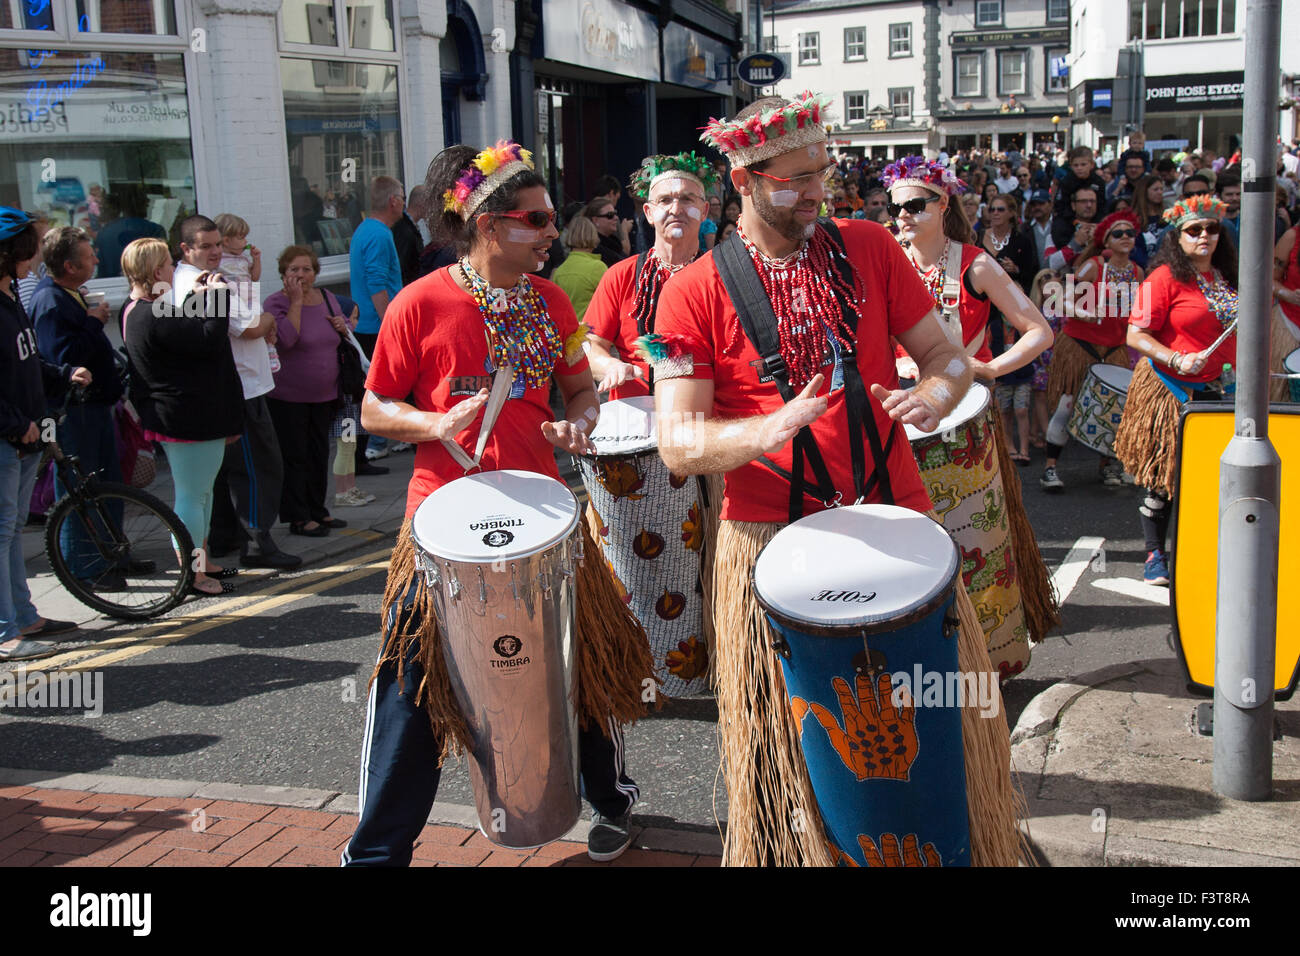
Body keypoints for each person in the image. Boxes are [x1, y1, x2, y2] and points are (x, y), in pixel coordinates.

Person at [650, 95, 1021, 866]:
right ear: (746, 180)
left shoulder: (870, 249)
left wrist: (934, 395)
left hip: (899, 526)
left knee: (940, 731)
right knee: (793, 756)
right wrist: (767, 428)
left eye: (824, 173)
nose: (820, 191)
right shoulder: (691, 289)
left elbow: (950, 360)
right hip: (769, 545)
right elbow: (679, 444)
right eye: (798, 180)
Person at [342, 140, 654, 867]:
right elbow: (375, 408)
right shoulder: (420, 302)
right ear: (487, 222)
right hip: (442, 526)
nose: (553, 231)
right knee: (412, 688)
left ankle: (611, 803)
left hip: (543, 520)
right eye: (537, 219)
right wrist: (430, 424)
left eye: (551, 219)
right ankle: (376, 854)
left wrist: (578, 419)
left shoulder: (548, 301)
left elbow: (579, 386)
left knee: (581, 669)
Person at [885, 155, 1056, 670]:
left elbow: (1038, 330)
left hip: (964, 418)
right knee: (912, 539)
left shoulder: (975, 264)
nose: (904, 218)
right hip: (906, 413)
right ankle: (922, 651)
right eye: (897, 209)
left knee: (976, 540)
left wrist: (990, 369)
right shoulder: (891, 259)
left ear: (943, 204)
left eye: (915, 206)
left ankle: (988, 659)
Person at [1115, 196, 1237, 586]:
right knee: (1163, 477)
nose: (1205, 236)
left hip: (1218, 391)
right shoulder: (1163, 278)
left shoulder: (1225, 277)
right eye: (1194, 230)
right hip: (1171, 390)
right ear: (1177, 235)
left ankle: (1196, 551)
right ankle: (1155, 554)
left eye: (1212, 229)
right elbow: (1135, 334)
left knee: (1205, 477)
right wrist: (1176, 359)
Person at [121, 237, 246, 597]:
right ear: (156, 270)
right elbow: (208, 339)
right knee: (193, 497)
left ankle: (201, 562)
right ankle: (192, 575)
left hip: (177, 415)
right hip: (187, 417)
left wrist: (198, 297)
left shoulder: (136, 309)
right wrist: (219, 296)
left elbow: (185, 336)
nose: (173, 270)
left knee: (201, 494)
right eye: (168, 265)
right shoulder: (153, 314)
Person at [175, 215, 300, 572]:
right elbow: (247, 328)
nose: (215, 252)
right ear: (186, 249)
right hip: (240, 387)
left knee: (226, 471)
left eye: (218, 244)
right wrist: (271, 321)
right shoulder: (204, 283)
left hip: (237, 384)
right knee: (257, 467)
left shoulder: (203, 278)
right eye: (206, 246)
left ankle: (227, 535)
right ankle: (257, 542)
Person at [0, 208, 89, 662]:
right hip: (9, 435)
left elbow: (26, 361)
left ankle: (23, 616)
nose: (37, 252)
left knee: (13, 530)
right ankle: (5, 633)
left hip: (26, 433)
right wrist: (16, 424)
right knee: (2, 532)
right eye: (32, 242)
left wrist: (61, 375)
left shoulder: (12, 296)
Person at [29, 227, 127, 590]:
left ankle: (114, 555)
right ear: (69, 266)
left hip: (95, 407)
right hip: (74, 412)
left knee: (106, 483)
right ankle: (85, 568)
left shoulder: (69, 295)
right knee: (78, 490)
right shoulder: (51, 301)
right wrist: (92, 322)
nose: (97, 260)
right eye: (89, 256)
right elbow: (62, 361)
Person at [1040, 210, 1143, 492]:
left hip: (1113, 348)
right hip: (1080, 345)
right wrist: (1083, 313)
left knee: (1112, 411)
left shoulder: (1137, 272)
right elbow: (1061, 300)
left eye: (1129, 233)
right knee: (1067, 405)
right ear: (1106, 240)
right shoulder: (1094, 267)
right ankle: (1050, 469)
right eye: (1118, 233)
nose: (1125, 238)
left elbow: (1139, 312)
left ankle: (1107, 466)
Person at [263, 246, 351, 538]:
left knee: (318, 454)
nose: (301, 275)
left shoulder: (327, 298)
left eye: (307, 269)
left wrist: (346, 325)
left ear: (315, 272)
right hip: (289, 397)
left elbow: (345, 330)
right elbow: (287, 340)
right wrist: (296, 302)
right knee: (295, 456)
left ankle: (318, 510)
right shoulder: (275, 303)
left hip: (325, 393)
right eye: (294, 270)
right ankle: (298, 517)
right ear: (283, 274)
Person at [351, 177, 408, 464]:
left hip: (368, 324)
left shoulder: (366, 230)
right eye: (403, 197)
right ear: (393, 201)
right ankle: (376, 442)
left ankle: (378, 443)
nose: (405, 204)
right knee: (382, 386)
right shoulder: (379, 234)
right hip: (376, 326)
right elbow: (376, 283)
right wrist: (391, 325)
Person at [549, 215, 606, 320]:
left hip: (567, 332)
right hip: (590, 332)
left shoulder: (559, 271)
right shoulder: (598, 267)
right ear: (594, 236)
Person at [977, 194, 1036, 292]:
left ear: (1011, 213)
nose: (995, 213)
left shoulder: (1022, 241)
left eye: (1000, 209)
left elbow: (1030, 273)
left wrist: (1016, 269)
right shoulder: (978, 237)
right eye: (992, 209)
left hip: (1009, 294)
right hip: (982, 293)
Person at [1270, 222, 1300, 402]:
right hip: (1289, 323)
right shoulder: (1292, 237)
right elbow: (1269, 278)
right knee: (1280, 395)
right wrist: (1288, 295)